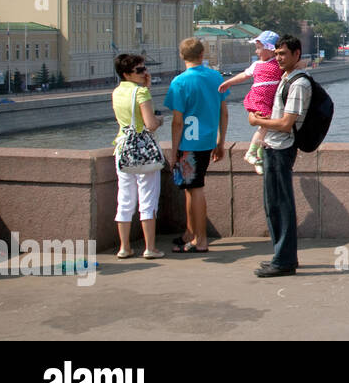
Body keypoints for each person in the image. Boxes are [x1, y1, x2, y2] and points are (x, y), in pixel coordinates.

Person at [248, 34, 311, 278]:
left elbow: (286, 123)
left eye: (283, 54)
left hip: (282, 148)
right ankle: (280, 256)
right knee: (272, 205)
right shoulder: (285, 78)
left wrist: (256, 121)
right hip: (272, 146)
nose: (279, 58)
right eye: (276, 54)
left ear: (297, 54)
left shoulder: (298, 84)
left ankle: (284, 261)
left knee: (282, 206)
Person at [165, 38, 228, 254]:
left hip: (188, 143)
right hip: (207, 141)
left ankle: (200, 240)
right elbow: (223, 111)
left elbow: (177, 122)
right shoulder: (215, 77)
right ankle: (190, 233)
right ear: (202, 55)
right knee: (190, 189)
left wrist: (173, 152)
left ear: (181, 56)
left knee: (196, 188)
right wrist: (221, 141)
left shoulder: (179, 82)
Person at [111, 53, 163, 259]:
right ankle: (150, 248)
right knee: (148, 200)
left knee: (124, 200)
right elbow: (149, 125)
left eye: (145, 68)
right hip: (144, 153)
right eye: (139, 70)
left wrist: (145, 87)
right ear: (126, 74)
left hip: (123, 150)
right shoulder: (141, 93)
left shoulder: (116, 92)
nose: (145, 72)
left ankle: (124, 248)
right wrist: (159, 120)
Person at [218, 31, 283, 175]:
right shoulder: (257, 64)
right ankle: (251, 153)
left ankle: (258, 157)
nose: (256, 51)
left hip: (268, 100)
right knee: (266, 125)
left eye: (259, 47)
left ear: (270, 48)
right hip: (258, 99)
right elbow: (243, 75)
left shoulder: (278, 63)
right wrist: (228, 82)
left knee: (266, 127)